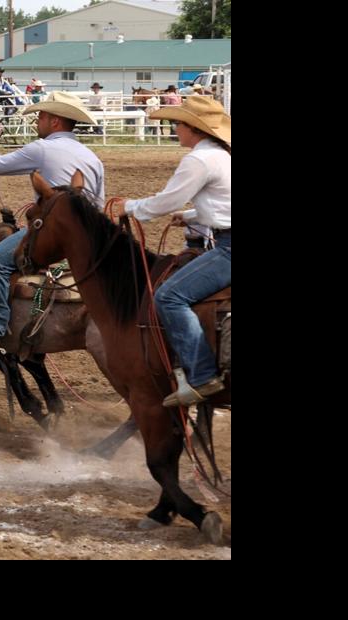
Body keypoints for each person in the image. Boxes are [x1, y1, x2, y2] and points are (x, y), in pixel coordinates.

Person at [0, 91, 105, 354]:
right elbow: (99, 203)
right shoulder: (92, 157)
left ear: (55, 121)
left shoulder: (42, 149)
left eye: (41, 116)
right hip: (89, 235)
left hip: (56, 233)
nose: (37, 121)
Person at [122, 95, 231, 406]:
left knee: (169, 296)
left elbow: (166, 200)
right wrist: (193, 216)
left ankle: (201, 375)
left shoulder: (198, 160)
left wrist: (129, 207)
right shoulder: (222, 155)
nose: (174, 129)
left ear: (192, 128)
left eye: (177, 123)